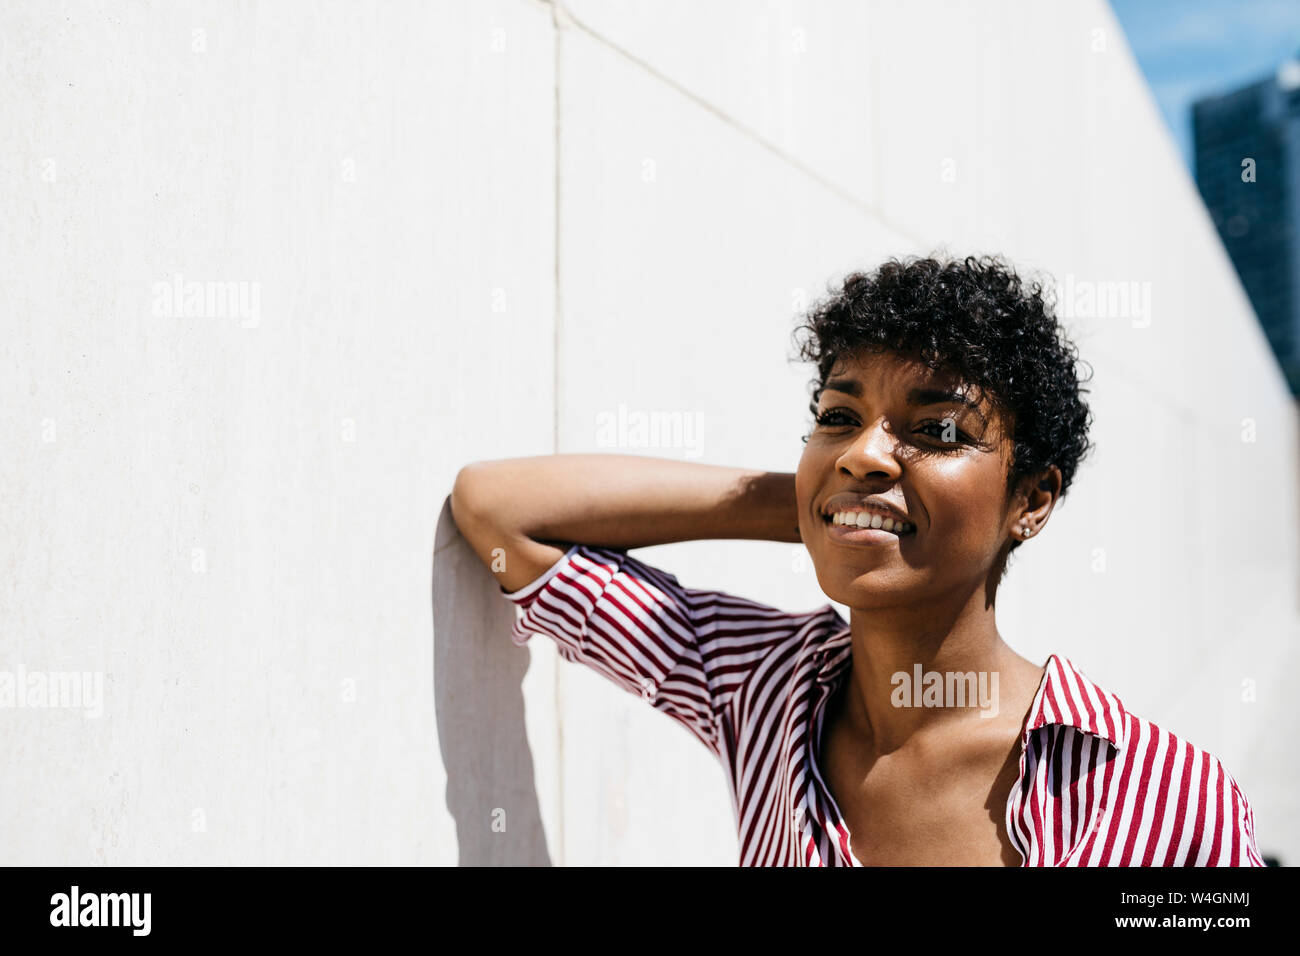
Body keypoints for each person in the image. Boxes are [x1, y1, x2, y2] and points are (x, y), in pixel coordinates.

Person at [450, 254, 1265, 867]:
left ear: (1032, 500)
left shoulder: (1166, 801)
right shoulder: (763, 687)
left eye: (936, 429)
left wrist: (860, 503)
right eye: (839, 416)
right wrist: (823, 507)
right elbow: (500, 512)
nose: (867, 450)